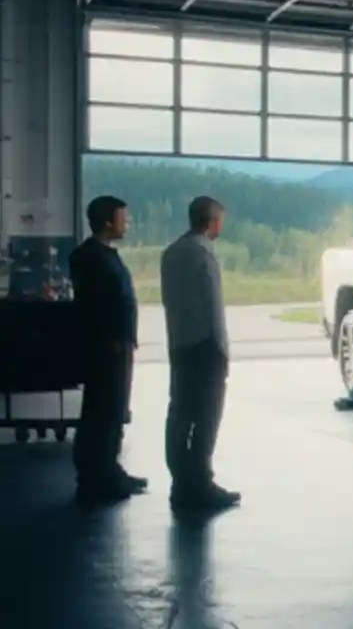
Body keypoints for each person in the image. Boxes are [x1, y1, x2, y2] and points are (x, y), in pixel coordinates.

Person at [161, 196, 240, 511]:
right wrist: (222, 349)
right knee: (206, 417)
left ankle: (181, 481)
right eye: (220, 219)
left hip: (180, 343)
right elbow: (212, 307)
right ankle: (201, 482)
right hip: (206, 347)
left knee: (179, 413)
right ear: (212, 222)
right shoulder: (203, 255)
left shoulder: (171, 253)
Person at [69, 195, 147, 503]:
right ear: (106, 221)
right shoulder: (89, 258)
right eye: (122, 217)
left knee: (115, 411)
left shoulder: (106, 255)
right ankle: (95, 474)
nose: (126, 222)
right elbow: (94, 306)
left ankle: (109, 468)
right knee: (102, 411)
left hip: (118, 345)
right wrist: (113, 339)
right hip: (105, 349)